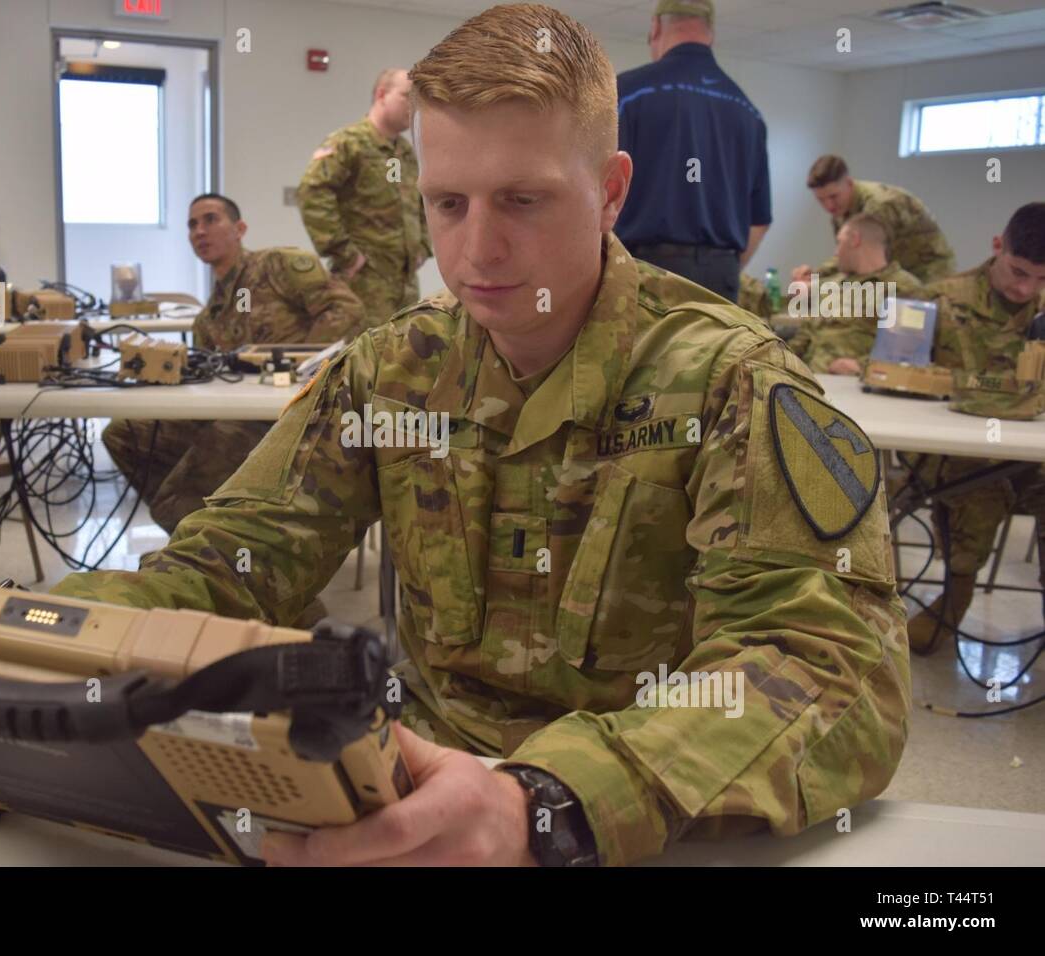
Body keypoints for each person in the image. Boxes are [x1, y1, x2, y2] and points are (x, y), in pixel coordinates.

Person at [51, 3, 908, 867]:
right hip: (421, 802)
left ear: (612, 191)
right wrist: (46, 646)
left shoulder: (730, 381)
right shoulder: (391, 370)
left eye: (522, 200)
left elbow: (835, 670)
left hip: (643, 826)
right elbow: (232, 558)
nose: (477, 252)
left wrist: (547, 801)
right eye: (447, 203)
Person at [102, 193, 364, 536]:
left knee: (173, 500)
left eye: (210, 220)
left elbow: (347, 310)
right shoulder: (208, 318)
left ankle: (225, 555)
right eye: (192, 224)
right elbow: (206, 380)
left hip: (290, 412)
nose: (200, 231)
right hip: (235, 415)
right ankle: (214, 536)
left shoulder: (279, 266)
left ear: (239, 229)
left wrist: (296, 368)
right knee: (124, 432)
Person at [907, 202, 1045, 656]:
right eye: (1019, 272)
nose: (1027, 290)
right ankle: (954, 599)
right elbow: (892, 373)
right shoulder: (938, 299)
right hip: (958, 456)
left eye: (1042, 279)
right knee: (978, 497)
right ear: (997, 246)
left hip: (1032, 455)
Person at [613, 0, 771, 302]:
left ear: (656, 27)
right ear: (711, 34)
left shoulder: (627, 93)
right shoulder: (748, 112)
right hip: (720, 279)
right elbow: (759, 220)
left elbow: (592, 190)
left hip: (643, 273)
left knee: (645, 352)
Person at [298, 68, 432, 330]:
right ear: (381, 95)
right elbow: (312, 192)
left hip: (403, 281)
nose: (413, 106)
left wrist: (424, 246)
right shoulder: (350, 143)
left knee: (403, 356)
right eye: (407, 97)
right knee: (364, 360)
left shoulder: (404, 151)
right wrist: (344, 253)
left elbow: (423, 200)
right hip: (362, 279)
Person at [786, 214, 925, 375]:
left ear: (854, 239)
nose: (836, 253)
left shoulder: (903, 288)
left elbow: (908, 354)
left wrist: (861, 366)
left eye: (839, 243)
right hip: (808, 381)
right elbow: (805, 335)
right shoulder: (834, 285)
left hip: (853, 386)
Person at [793, 155, 955, 286]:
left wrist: (816, 282)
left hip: (927, 272)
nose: (829, 205)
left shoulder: (879, 205)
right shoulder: (841, 211)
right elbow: (847, 256)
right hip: (896, 273)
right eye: (821, 200)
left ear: (849, 183)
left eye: (833, 196)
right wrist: (814, 275)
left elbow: (863, 259)